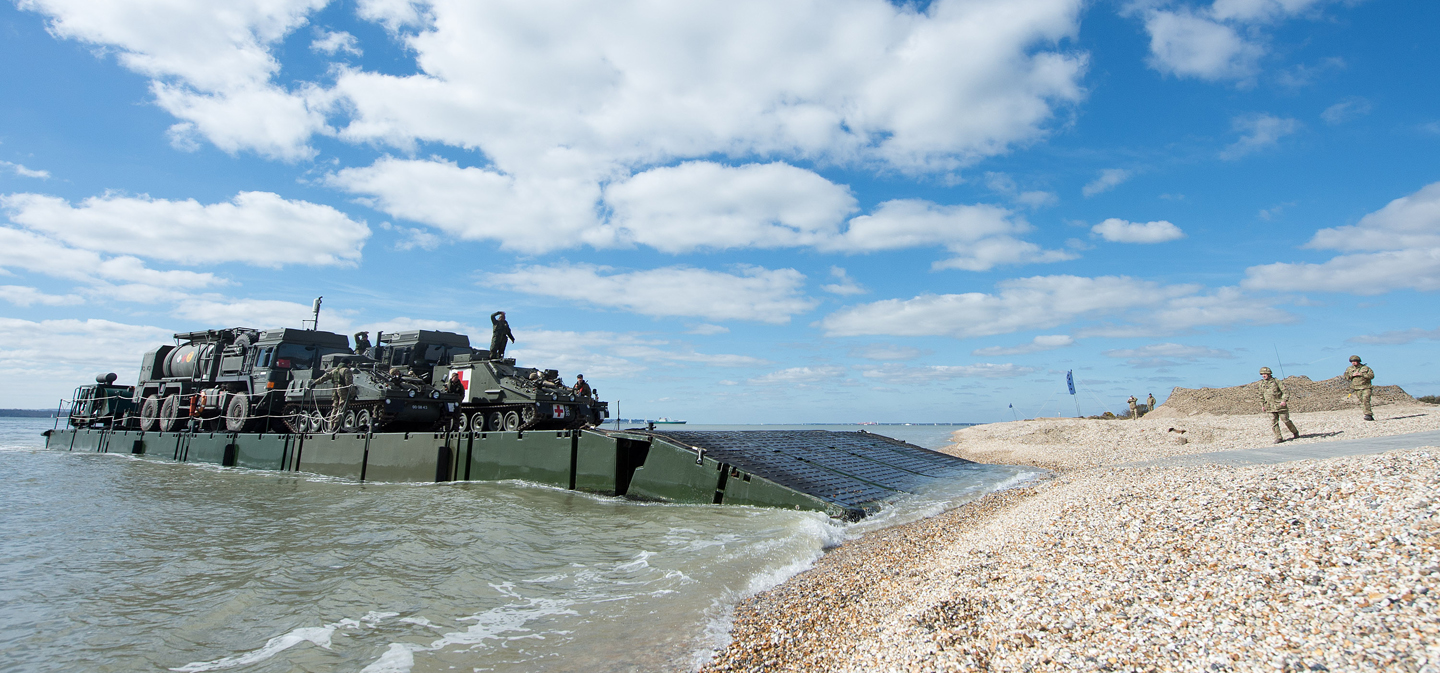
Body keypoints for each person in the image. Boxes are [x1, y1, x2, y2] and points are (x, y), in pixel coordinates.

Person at [1258, 366, 1300, 443]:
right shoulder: (1261, 384)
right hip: (1269, 407)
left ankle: (1295, 432)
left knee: (1286, 420)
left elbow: (1285, 391)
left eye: (1265, 374)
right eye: (1262, 374)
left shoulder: (1277, 382)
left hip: (1280, 406)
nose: (1263, 375)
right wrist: (1262, 405)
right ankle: (1279, 437)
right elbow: (1261, 395)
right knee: (1273, 423)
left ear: (1269, 374)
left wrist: (1284, 400)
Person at [313, 361, 355, 425]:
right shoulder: (346, 370)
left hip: (335, 389)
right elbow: (348, 383)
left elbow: (325, 377)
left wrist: (315, 382)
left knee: (335, 407)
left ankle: (330, 424)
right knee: (342, 407)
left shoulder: (335, 370)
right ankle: (336, 424)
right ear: (348, 364)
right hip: (343, 389)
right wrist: (353, 393)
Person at [1344, 355, 1376, 421]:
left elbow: (1371, 376)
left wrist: (1361, 374)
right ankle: (1367, 414)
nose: (1353, 363)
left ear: (1358, 361)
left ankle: (1368, 414)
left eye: (1355, 361)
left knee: (1365, 400)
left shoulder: (1366, 368)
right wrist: (1352, 375)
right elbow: (1345, 377)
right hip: (1356, 388)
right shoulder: (1349, 369)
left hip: (1366, 387)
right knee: (1362, 401)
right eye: (1352, 361)